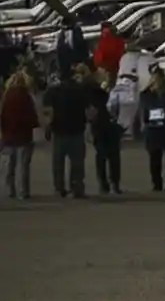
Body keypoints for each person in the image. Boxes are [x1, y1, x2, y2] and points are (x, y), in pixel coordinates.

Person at [41, 64, 92, 198]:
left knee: (58, 163)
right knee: (77, 162)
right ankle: (77, 187)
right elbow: (89, 111)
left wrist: (47, 128)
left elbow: (48, 112)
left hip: (59, 131)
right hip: (77, 131)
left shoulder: (52, 91)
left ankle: (59, 188)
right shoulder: (80, 90)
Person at [0, 69, 39, 199]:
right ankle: (24, 191)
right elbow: (33, 117)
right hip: (25, 137)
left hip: (9, 136)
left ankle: (11, 190)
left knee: (10, 166)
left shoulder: (6, 96)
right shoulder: (27, 97)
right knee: (24, 167)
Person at [87, 69, 124, 195]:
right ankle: (103, 184)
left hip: (112, 127)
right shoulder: (95, 91)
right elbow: (91, 110)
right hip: (99, 127)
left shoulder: (118, 91)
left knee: (114, 157)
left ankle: (115, 183)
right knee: (101, 156)